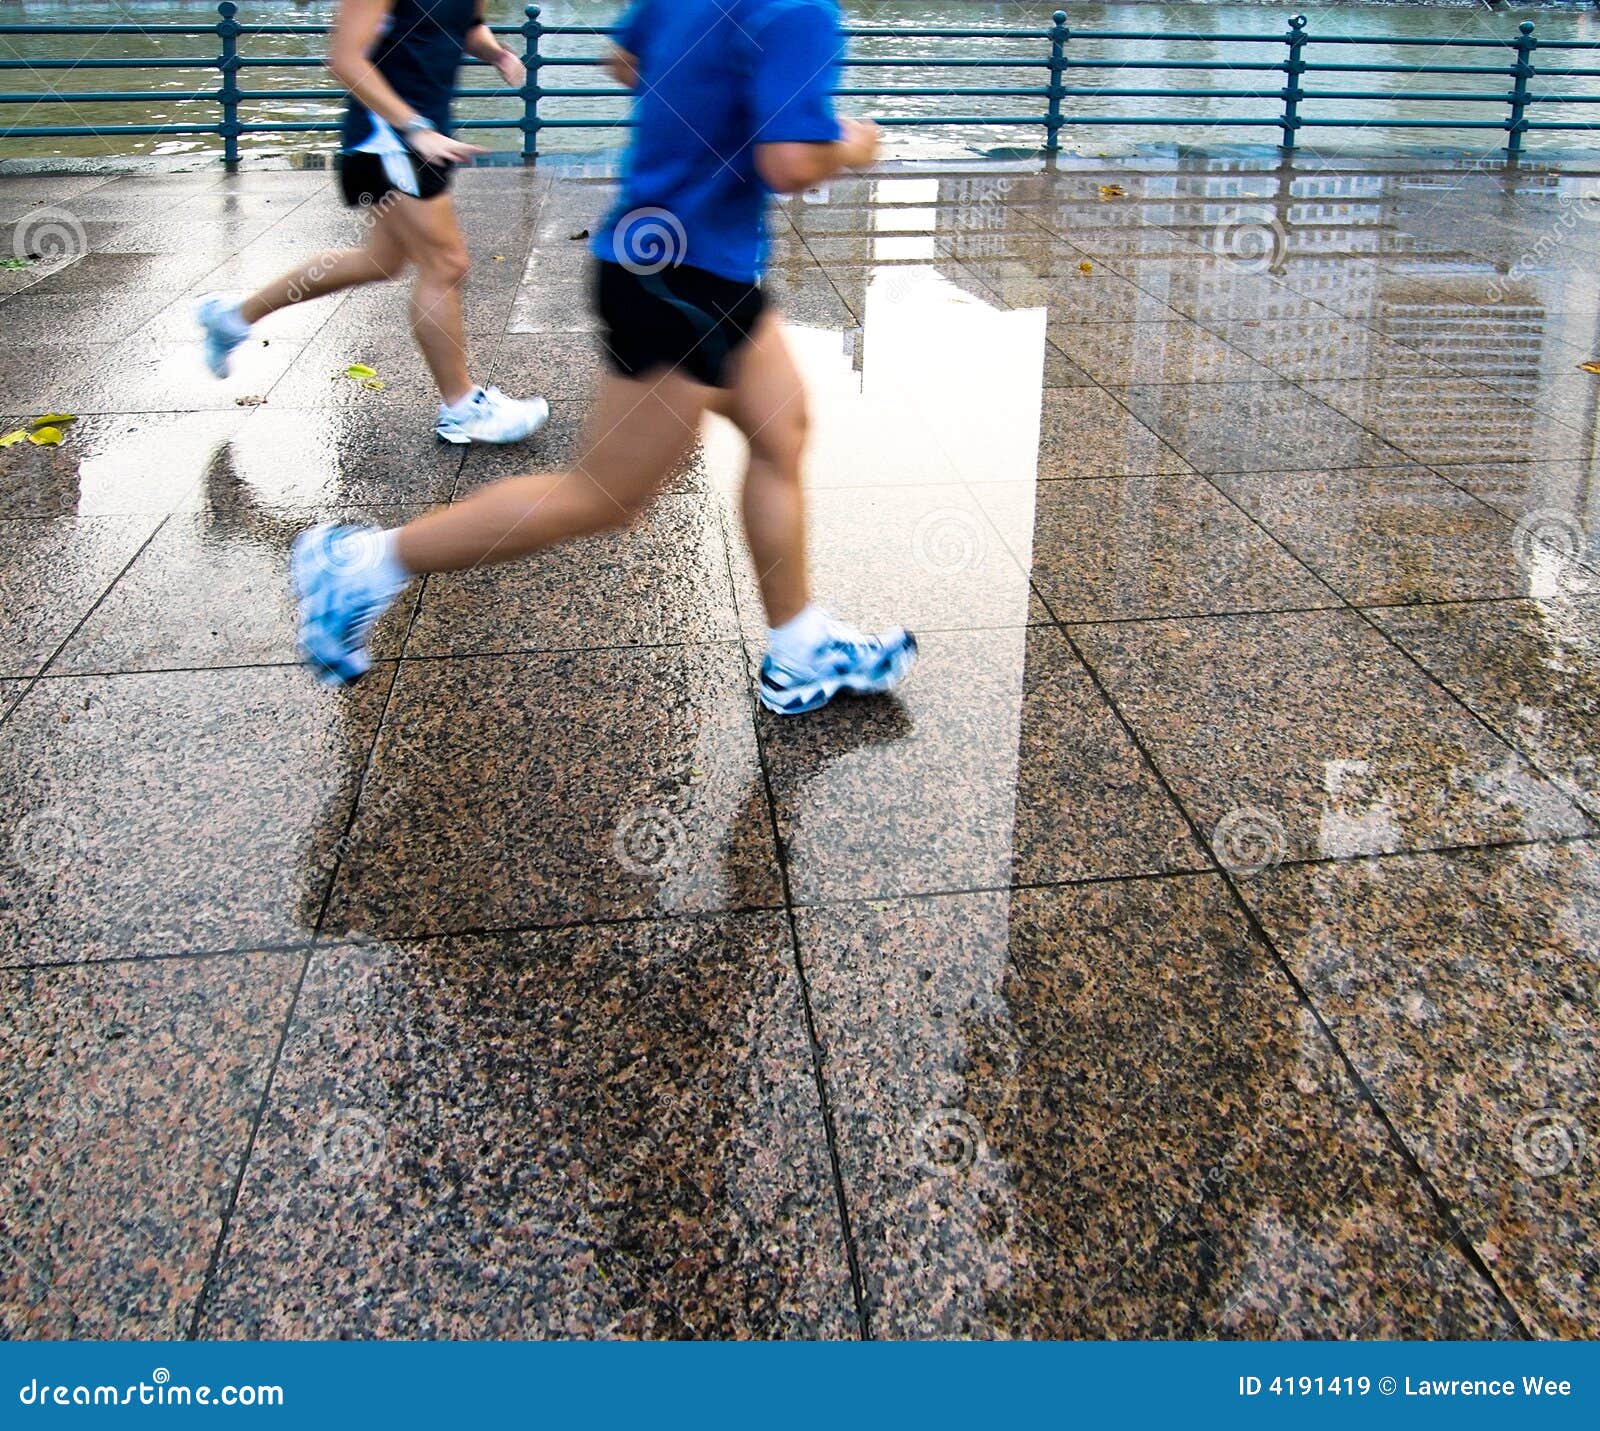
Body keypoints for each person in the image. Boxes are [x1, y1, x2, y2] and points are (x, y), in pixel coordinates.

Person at [289, 0, 916, 715]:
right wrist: (854, 145)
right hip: (689, 282)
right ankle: (362, 564)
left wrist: (710, 96)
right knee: (602, 497)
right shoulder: (799, 10)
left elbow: (624, 62)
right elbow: (791, 161)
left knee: (782, 430)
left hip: (671, 257)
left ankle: (799, 649)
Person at [195, 0, 548, 445]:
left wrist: (496, 53)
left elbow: (468, 24)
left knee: (379, 261)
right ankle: (461, 408)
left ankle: (232, 318)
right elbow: (345, 59)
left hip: (426, 138)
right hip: (388, 141)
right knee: (446, 263)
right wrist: (413, 126)